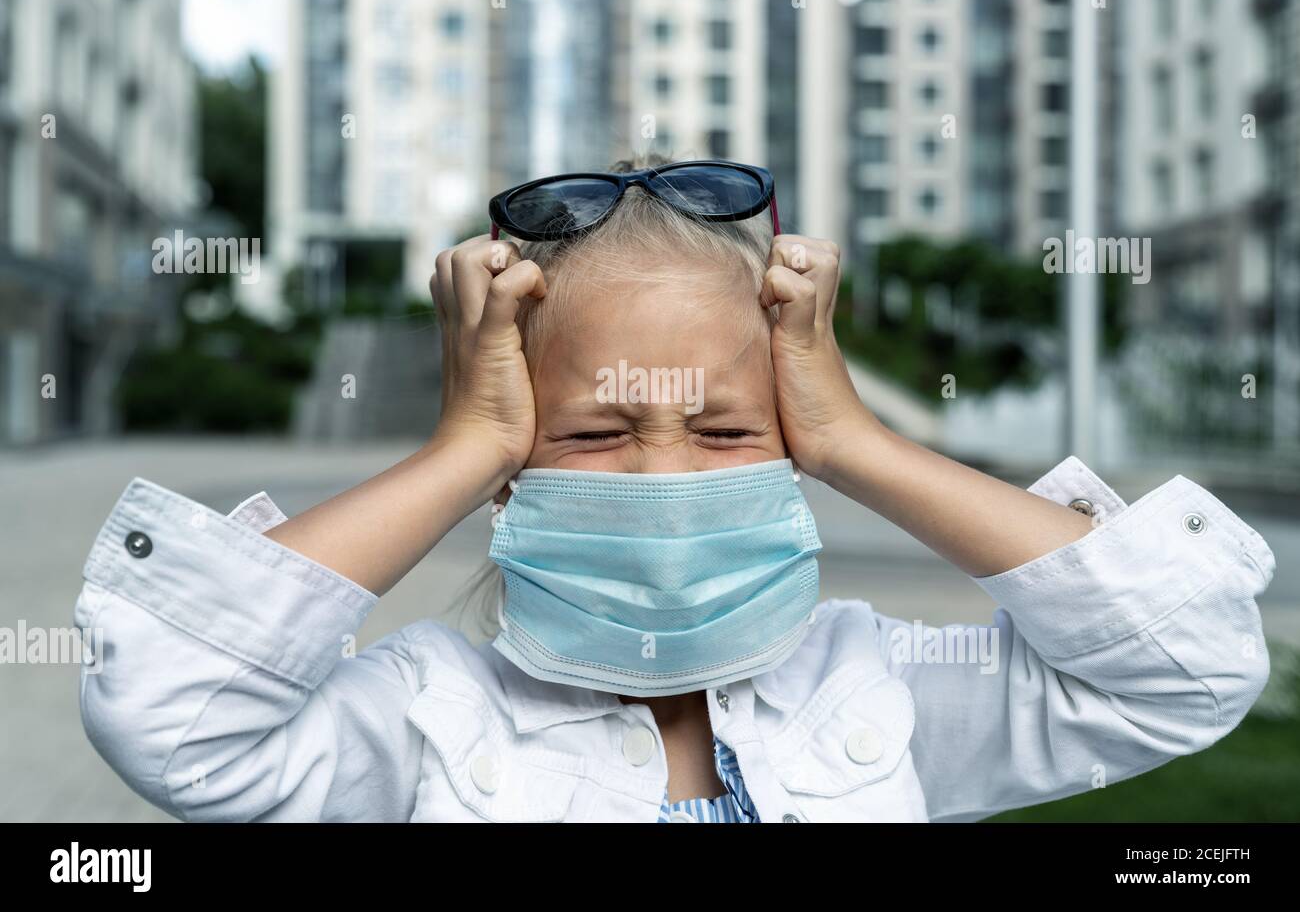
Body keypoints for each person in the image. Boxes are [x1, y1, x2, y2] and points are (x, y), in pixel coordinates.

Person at [76, 157, 1275, 822]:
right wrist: (457, 446)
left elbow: (1186, 669)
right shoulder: (425, 716)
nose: (661, 473)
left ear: (796, 441)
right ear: (508, 475)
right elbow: (180, 723)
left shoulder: (884, 685)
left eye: (727, 429)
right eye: (593, 432)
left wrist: (861, 440)